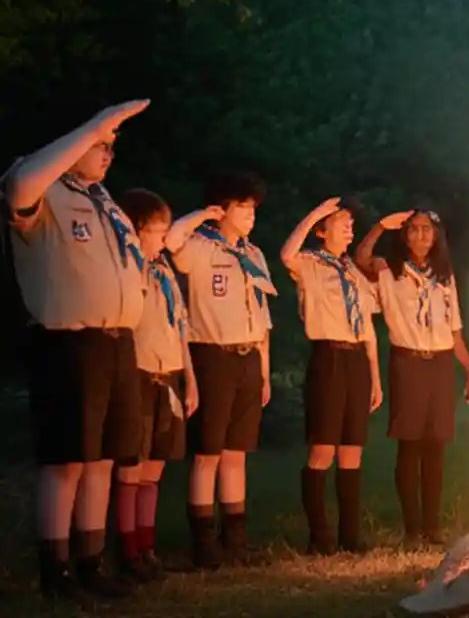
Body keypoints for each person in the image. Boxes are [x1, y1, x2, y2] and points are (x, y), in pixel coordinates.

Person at [5, 100, 150, 601]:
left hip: (117, 342)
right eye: (99, 144)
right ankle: (56, 571)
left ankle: (91, 562)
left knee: (103, 459)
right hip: (69, 344)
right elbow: (19, 190)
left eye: (111, 145)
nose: (107, 152)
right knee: (66, 460)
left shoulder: (104, 202)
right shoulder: (42, 187)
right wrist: (91, 127)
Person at [167, 171, 276, 569]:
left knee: (236, 453)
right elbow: (170, 242)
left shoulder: (254, 254)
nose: (250, 215)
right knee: (207, 453)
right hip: (212, 356)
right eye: (242, 208)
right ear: (221, 209)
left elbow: (262, 318)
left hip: (248, 357)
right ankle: (204, 542)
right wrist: (201, 215)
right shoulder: (199, 246)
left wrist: (264, 372)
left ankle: (237, 539)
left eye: (253, 209)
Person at [355, 208, 469, 546]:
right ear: (404, 234)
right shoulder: (389, 270)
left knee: (436, 446)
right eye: (413, 229)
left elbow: (455, 331)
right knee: (409, 445)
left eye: (427, 229)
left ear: (436, 235)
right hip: (408, 361)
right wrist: (380, 227)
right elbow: (361, 258)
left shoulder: (444, 276)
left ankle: (432, 525)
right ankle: (411, 528)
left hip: (440, 362)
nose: (421, 235)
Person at [282, 198, 383, 554]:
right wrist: (315, 213)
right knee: (323, 447)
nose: (349, 228)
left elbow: (368, 325)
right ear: (323, 230)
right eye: (341, 222)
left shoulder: (352, 270)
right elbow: (286, 255)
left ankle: (350, 536)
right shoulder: (311, 262)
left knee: (352, 449)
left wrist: (375, 376)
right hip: (329, 357)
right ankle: (320, 535)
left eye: (351, 223)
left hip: (357, 359)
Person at [113, 189, 199, 582]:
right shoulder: (127, 270)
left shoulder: (165, 272)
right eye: (157, 232)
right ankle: (127, 550)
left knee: (154, 468)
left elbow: (180, 329)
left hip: (169, 376)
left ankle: (148, 548)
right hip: (138, 374)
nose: (163, 240)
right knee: (130, 467)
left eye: (166, 231)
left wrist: (190, 380)